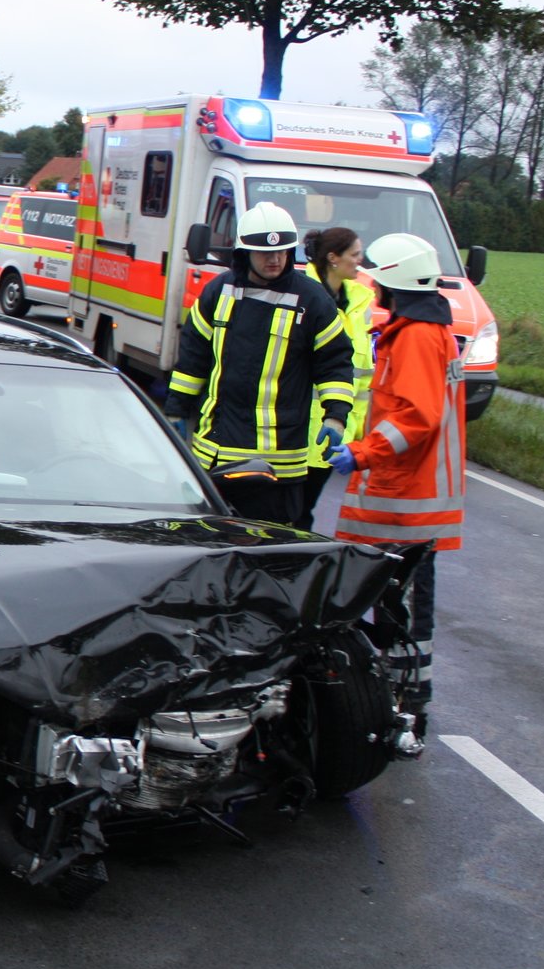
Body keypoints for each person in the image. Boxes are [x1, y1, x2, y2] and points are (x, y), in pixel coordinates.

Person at [329, 232, 467, 739]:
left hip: (407, 499)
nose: (373, 286)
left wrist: (362, 453)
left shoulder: (415, 337)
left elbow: (416, 417)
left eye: (377, 278)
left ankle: (406, 710)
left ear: (394, 282)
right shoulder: (427, 330)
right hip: (411, 495)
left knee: (401, 612)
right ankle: (403, 704)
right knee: (401, 607)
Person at [164, 201, 355, 524]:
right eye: (265, 253)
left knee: (268, 546)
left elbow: (335, 363)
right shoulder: (218, 292)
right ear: (244, 253)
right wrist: (175, 410)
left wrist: (335, 416)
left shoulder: (313, 301)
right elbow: (193, 359)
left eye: (281, 251)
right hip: (215, 453)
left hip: (278, 463)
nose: (274, 259)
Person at [297, 226, 373, 528]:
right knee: (291, 512)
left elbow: (363, 374)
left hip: (335, 427)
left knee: (305, 508)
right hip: (295, 430)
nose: (360, 260)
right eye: (355, 254)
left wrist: (359, 430)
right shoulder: (303, 295)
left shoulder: (359, 302)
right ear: (333, 258)